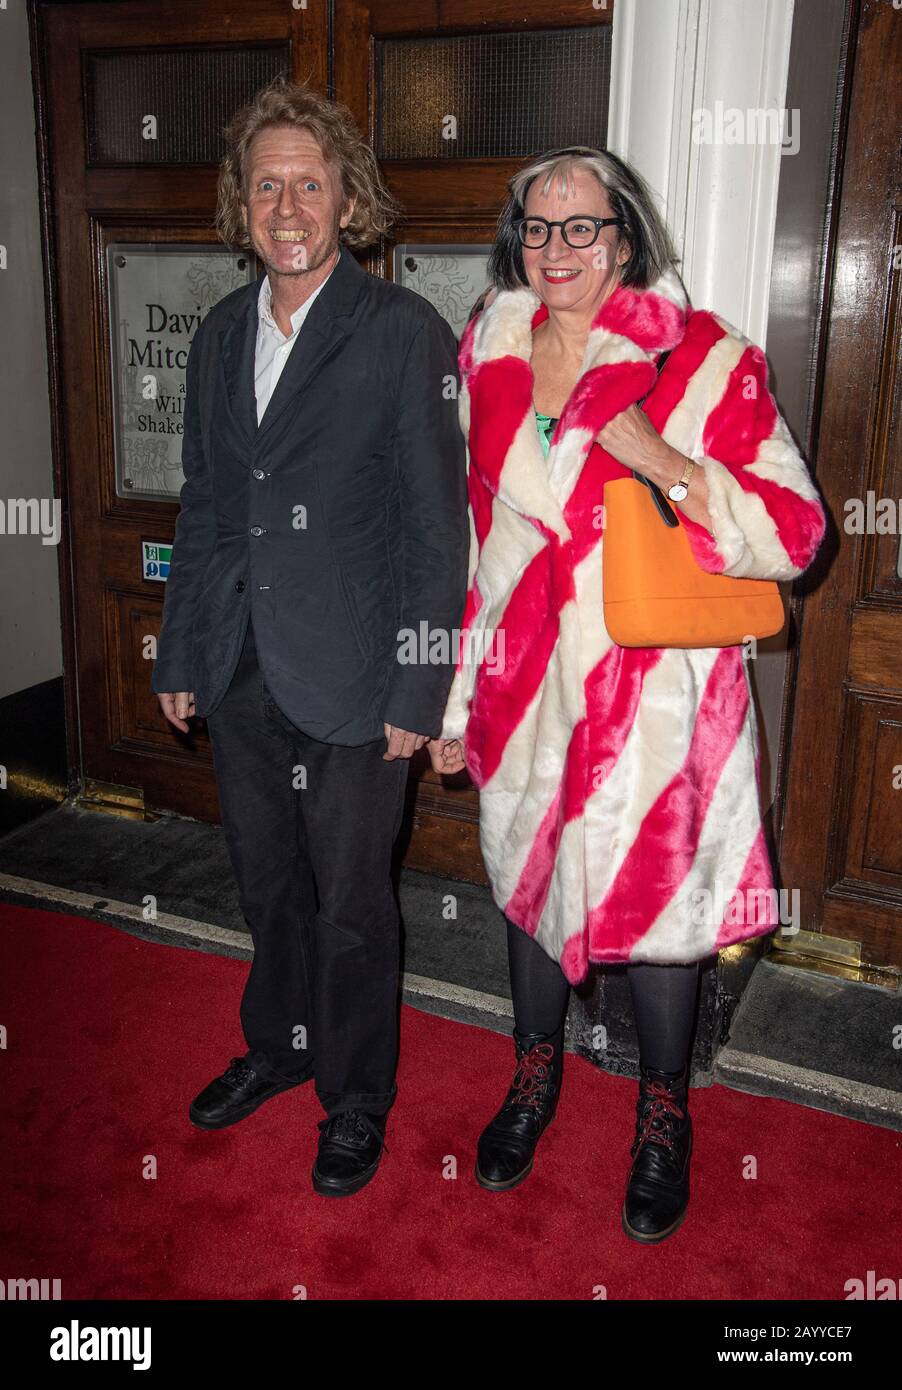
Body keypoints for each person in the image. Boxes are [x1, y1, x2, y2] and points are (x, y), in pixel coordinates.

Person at [429, 146, 825, 1242]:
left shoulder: (701, 358)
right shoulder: (490, 350)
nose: (557, 250)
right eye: (537, 227)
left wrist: (661, 459)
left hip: (659, 706)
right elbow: (484, 549)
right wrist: (459, 704)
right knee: (526, 887)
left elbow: (794, 534)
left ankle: (661, 1110)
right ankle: (532, 1075)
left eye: (582, 227)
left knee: (663, 916)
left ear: (624, 237)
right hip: (525, 691)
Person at [152, 77, 468, 1198]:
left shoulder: (402, 332)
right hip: (239, 662)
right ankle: (278, 1047)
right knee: (265, 882)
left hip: (356, 674)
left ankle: (355, 1096)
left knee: (349, 902)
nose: (286, 206)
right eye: (265, 185)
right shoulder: (219, 334)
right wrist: (181, 650)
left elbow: (440, 529)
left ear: (347, 201)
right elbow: (203, 500)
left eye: (308, 184)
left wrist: (418, 691)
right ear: (240, 207)